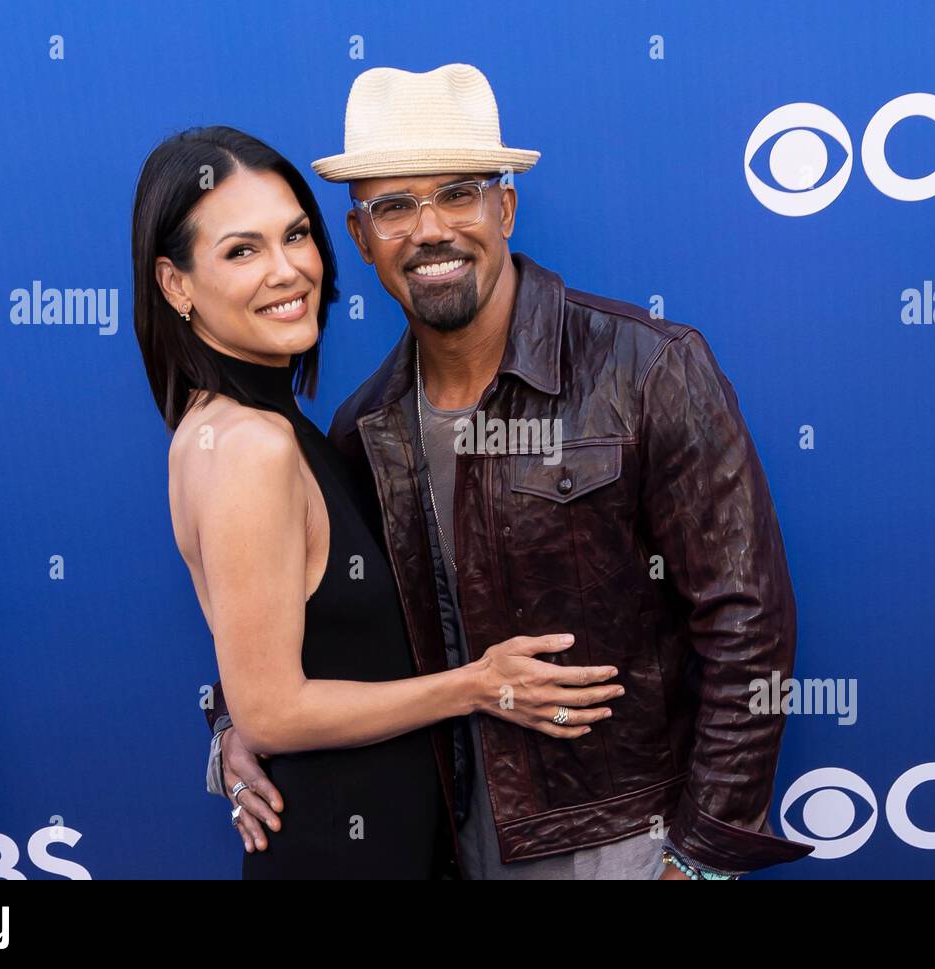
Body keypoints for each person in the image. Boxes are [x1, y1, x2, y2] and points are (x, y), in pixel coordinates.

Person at [208, 63, 815, 880]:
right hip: (441, 847)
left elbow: (750, 623)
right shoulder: (366, 427)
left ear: (505, 206)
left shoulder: (647, 367)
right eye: (393, 206)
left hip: (629, 841)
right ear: (360, 239)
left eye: (458, 193)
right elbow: (322, 614)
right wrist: (235, 718)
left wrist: (701, 859)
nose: (430, 230)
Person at [131, 125, 624, 878]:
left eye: (295, 234)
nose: (287, 269)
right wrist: (480, 685)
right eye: (241, 250)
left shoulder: (278, 429)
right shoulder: (246, 447)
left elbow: (267, 659)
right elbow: (273, 709)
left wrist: (230, 722)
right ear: (175, 284)